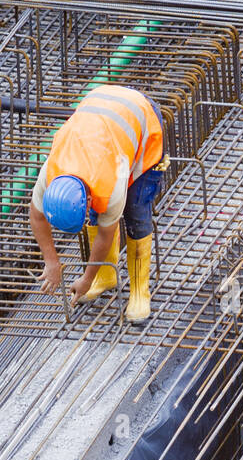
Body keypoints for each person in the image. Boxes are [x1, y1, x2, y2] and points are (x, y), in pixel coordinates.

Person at [29, 84, 165, 324]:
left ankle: (139, 292)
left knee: (136, 211)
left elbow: (106, 233)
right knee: (97, 213)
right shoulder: (50, 173)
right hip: (102, 110)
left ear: (87, 198)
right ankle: (105, 276)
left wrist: (85, 279)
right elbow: (37, 216)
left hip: (142, 119)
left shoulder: (110, 184)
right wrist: (51, 261)